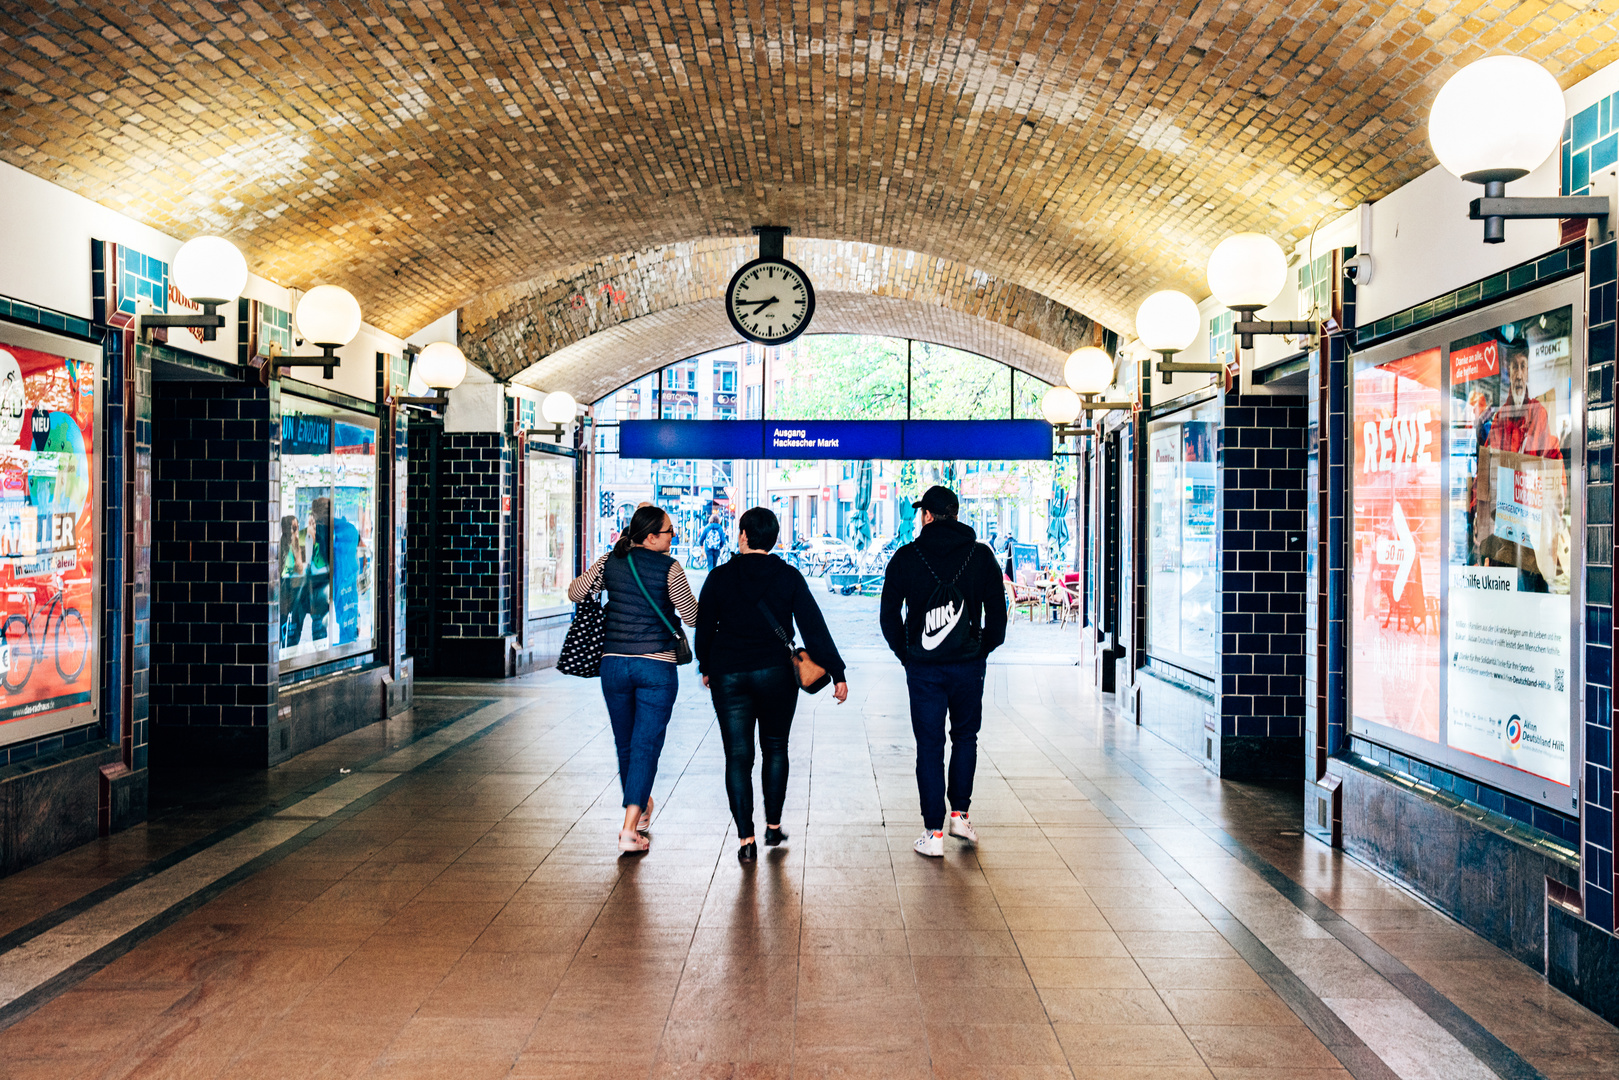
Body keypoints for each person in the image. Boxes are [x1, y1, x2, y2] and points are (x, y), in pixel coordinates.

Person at [695, 507, 848, 863]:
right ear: (774, 539)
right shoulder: (788, 576)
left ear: (744, 535)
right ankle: (774, 827)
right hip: (777, 674)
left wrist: (707, 665)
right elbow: (813, 625)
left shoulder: (719, 576)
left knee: (738, 756)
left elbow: (705, 627)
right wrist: (836, 672)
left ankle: (746, 840)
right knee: (776, 748)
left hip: (729, 675)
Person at [880, 485, 1007, 857]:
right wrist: (981, 649)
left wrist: (907, 654)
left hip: (923, 669)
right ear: (956, 513)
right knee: (966, 737)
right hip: (968, 665)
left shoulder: (907, 556)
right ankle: (960, 816)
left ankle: (933, 834)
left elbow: (888, 615)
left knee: (930, 746)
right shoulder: (981, 556)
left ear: (929, 515)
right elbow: (998, 618)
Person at [568, 504, 698, 853]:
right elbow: (692, 616)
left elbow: (575, 592)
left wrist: (605, 570)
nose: (674, 535)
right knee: (645, 746)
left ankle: (640, 810)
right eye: (670, 530)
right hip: (655, 667)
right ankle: (629, 829)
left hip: (613, 665)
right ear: (652, 536)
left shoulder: (610, 561)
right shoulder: (670, 569)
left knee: (625, 744)